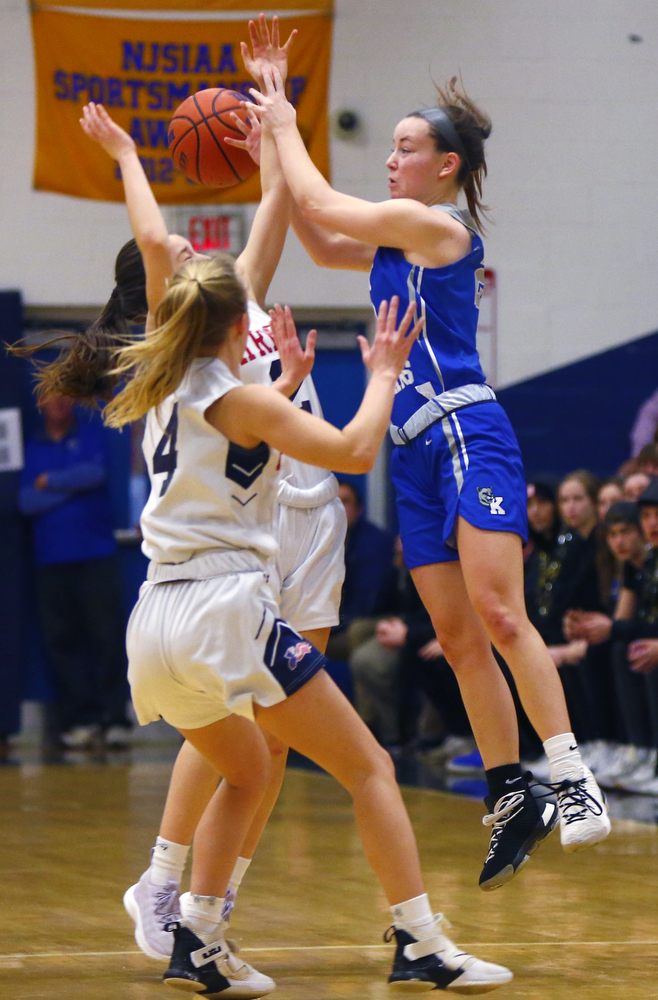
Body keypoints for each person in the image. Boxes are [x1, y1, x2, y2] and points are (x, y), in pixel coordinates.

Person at [102, 255, 511, 995]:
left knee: (250, 768)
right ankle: (420, 941)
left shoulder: (162, 389)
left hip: (154, 619)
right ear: (237, 328)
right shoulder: (238, 396)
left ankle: (197, 937)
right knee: (370, 769)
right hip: (222, 611)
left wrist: (285, 387)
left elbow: (230, 445)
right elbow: (355, 450)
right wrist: (383, 370)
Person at [249, 64, 610, 890]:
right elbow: (314, 232)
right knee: (453, 638)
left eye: (406, 148)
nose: (391, 160)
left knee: (499, 612)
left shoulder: (443, 229)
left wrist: (283, 122)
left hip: (465, 430)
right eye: (393, 149)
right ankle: (509, 788)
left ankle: (570, 772)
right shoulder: (393, 238)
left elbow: (326, 206)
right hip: (411, 451)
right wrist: (271, 147)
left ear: (445, 165)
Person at [43, 21, 349, 983]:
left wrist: (270, 120)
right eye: (175, 248)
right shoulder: (186, 348)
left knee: (273, 740)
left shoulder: (241, 300)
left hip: (300, 519)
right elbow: (148, 233)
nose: (186, 238)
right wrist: (132, 155)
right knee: (258, 732)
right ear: (170, 292)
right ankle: (173, 889)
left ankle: (203, 906)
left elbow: (268, 203)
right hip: (233, 545)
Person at [18, 395, 131, 749]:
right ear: (40, 402)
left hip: (95, 555)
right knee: (63, 643)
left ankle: (115, 719)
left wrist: (47, 480)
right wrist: (69, 487)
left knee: (107, 638)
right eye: (51, 395)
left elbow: (95, 473)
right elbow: (25, 501)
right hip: (50, 561)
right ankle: (83, 720)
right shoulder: (31, 444)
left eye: (64, 394)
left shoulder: (91, 432)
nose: (58, 401)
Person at [325, 480, 396, 660]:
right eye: (333, 502)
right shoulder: (323, 543)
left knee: (301, 646)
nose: (339, 507)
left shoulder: (375, 543)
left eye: (345, 501)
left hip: (381, 620)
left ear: (359, 509)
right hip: (340, 624)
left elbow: (367, 604)